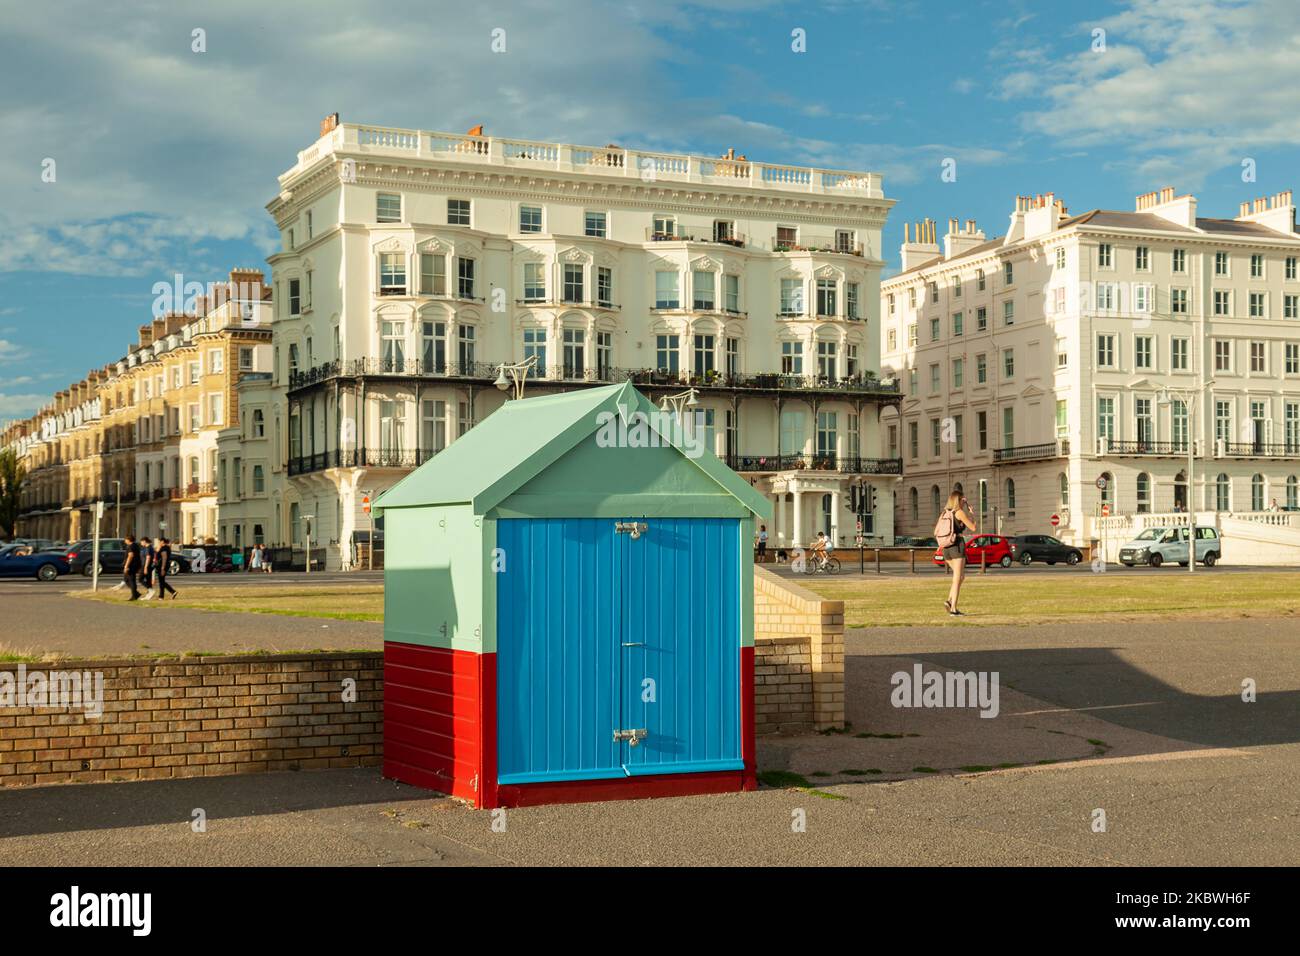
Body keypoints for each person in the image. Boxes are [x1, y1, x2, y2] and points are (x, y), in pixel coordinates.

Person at [936, 490, 976, 616]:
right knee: (957, 578)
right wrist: (972, 514)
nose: (963, 502)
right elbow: (973, 528)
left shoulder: (944, 513)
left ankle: (949, 601)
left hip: (946, 547)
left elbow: (935, 531)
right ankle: (953, 608)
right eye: (962, 500)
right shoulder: (959, 513)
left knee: (960, 577)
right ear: (958, 501)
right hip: (957, 546)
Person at [122, 534, 141, 601]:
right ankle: (136, 593)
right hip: (135, 565)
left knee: (131, 580)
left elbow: (130, 556)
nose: (125, 541)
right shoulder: (135, 545)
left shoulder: (131, 547)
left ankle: (134, 595)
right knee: (127, 579)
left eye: (125, 539)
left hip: (131, 565)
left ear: (128, 540)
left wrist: (126, 566)